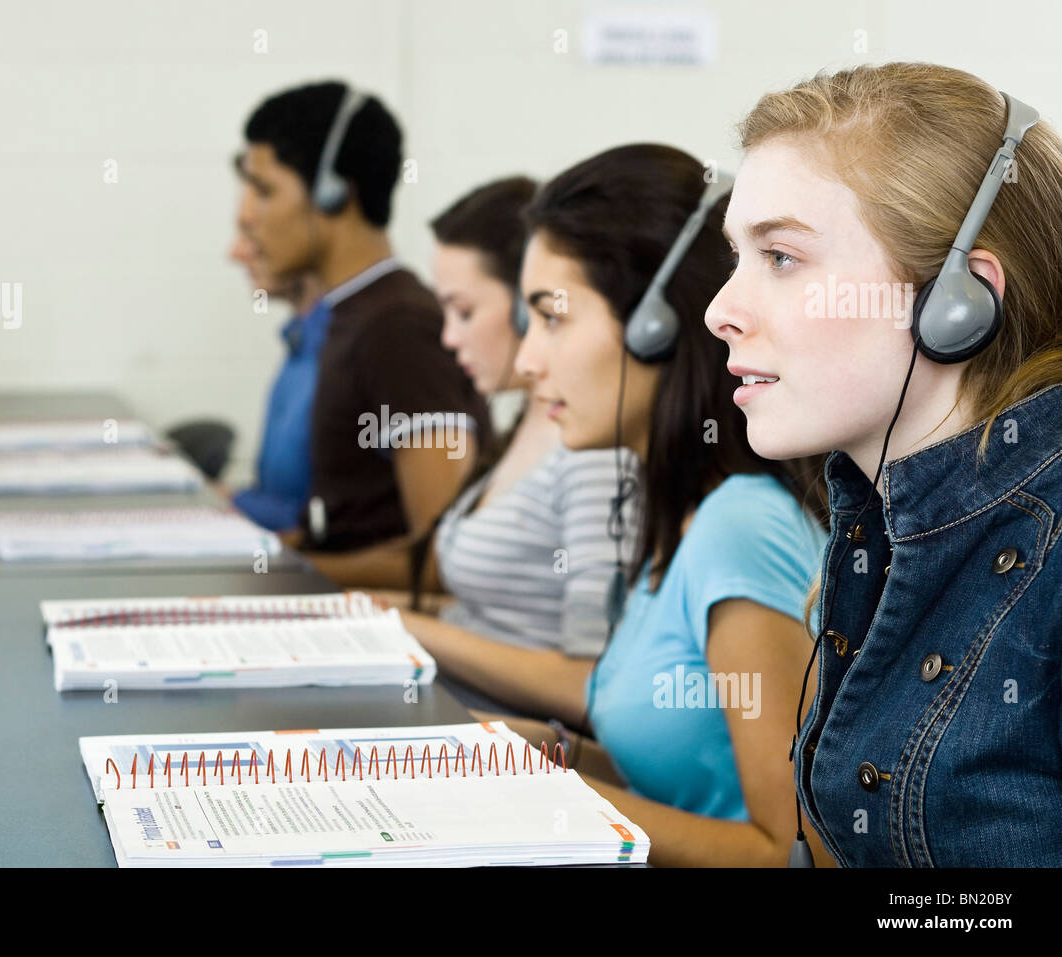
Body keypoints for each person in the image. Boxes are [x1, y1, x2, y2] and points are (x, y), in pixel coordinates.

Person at [709, 62, 1062, 867]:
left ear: (955, 301)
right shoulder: (880, 521)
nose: (720, 309)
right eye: (738, 254)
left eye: (782, 257)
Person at [466, 143, 832, 867]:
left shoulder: (740, 527)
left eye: (552, 318)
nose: (527, 359)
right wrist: (544, 752)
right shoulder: (682, 514)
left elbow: (790, 850)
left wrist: (554, 788)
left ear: (655, 326)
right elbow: (682, 790)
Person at [379, 176, 643, 716]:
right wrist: (380, 614)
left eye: (464, 311)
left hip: (516, 733)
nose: (449, 337)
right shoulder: (525, 425)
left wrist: (404, 624)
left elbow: (592, 681)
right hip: (457, 702)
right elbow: (490, 617)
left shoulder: (590, 451)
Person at [235, 81, 489, 583]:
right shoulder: (349, 317)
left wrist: (290, 573)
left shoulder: (396, 328)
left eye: (265, 191)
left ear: (334, 194)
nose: (247, 217)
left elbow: (439, 560)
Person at [223, 224, 326, 526]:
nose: (236, 253)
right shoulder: (299, 343)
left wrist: (228, 501)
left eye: (251, 234)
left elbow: (325, 528)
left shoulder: (341, 350)